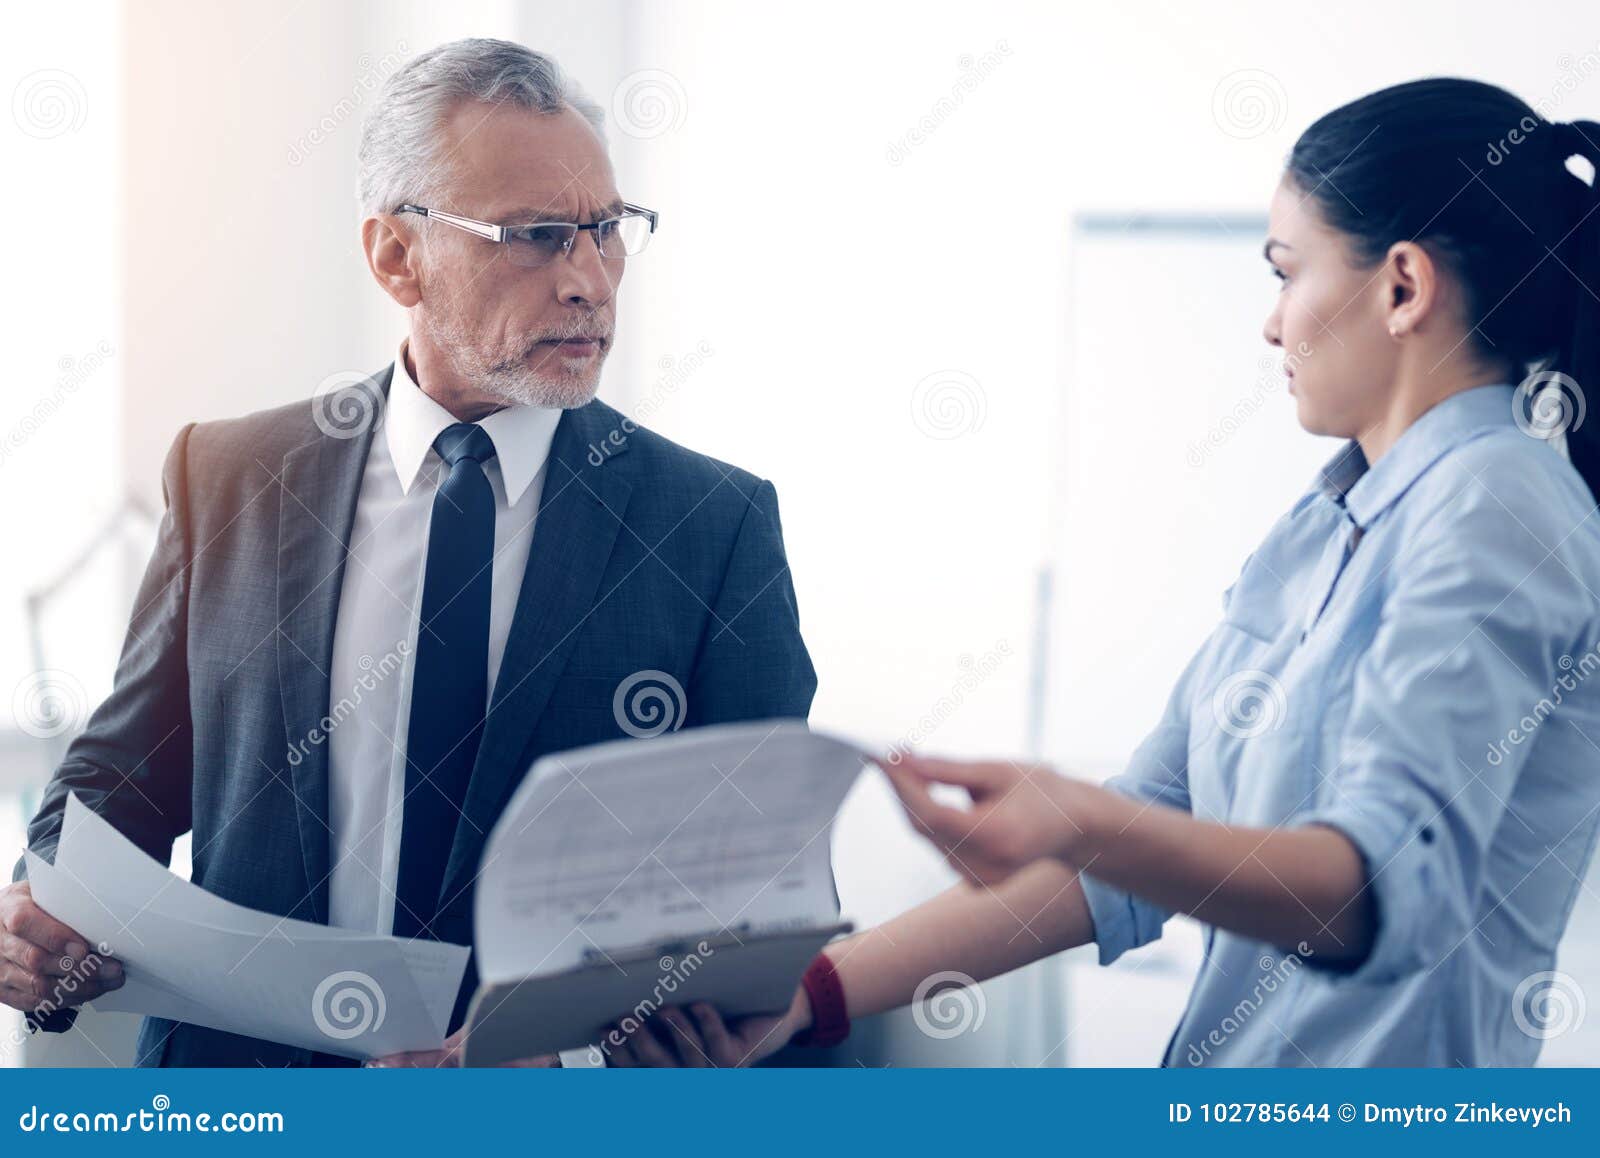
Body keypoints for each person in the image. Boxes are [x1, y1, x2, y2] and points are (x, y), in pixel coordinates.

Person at [608, 78, 1600, 1068]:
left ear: (1401, 289)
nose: (1270, 325)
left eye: (1285, 272)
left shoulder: (1499, 507)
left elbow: (1372, 893)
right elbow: (1141, 841)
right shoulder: (1317, 528)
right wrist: (806, 996)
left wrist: (1084, 820)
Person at [1, 38, 816, 1067]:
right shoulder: (233, 476)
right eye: (536, 236)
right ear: (395, 256)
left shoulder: (713, 526)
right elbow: (123, 780)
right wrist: (39, 917)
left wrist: (597, 1051)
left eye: (607, 232)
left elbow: (759, 875)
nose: (588, 282)